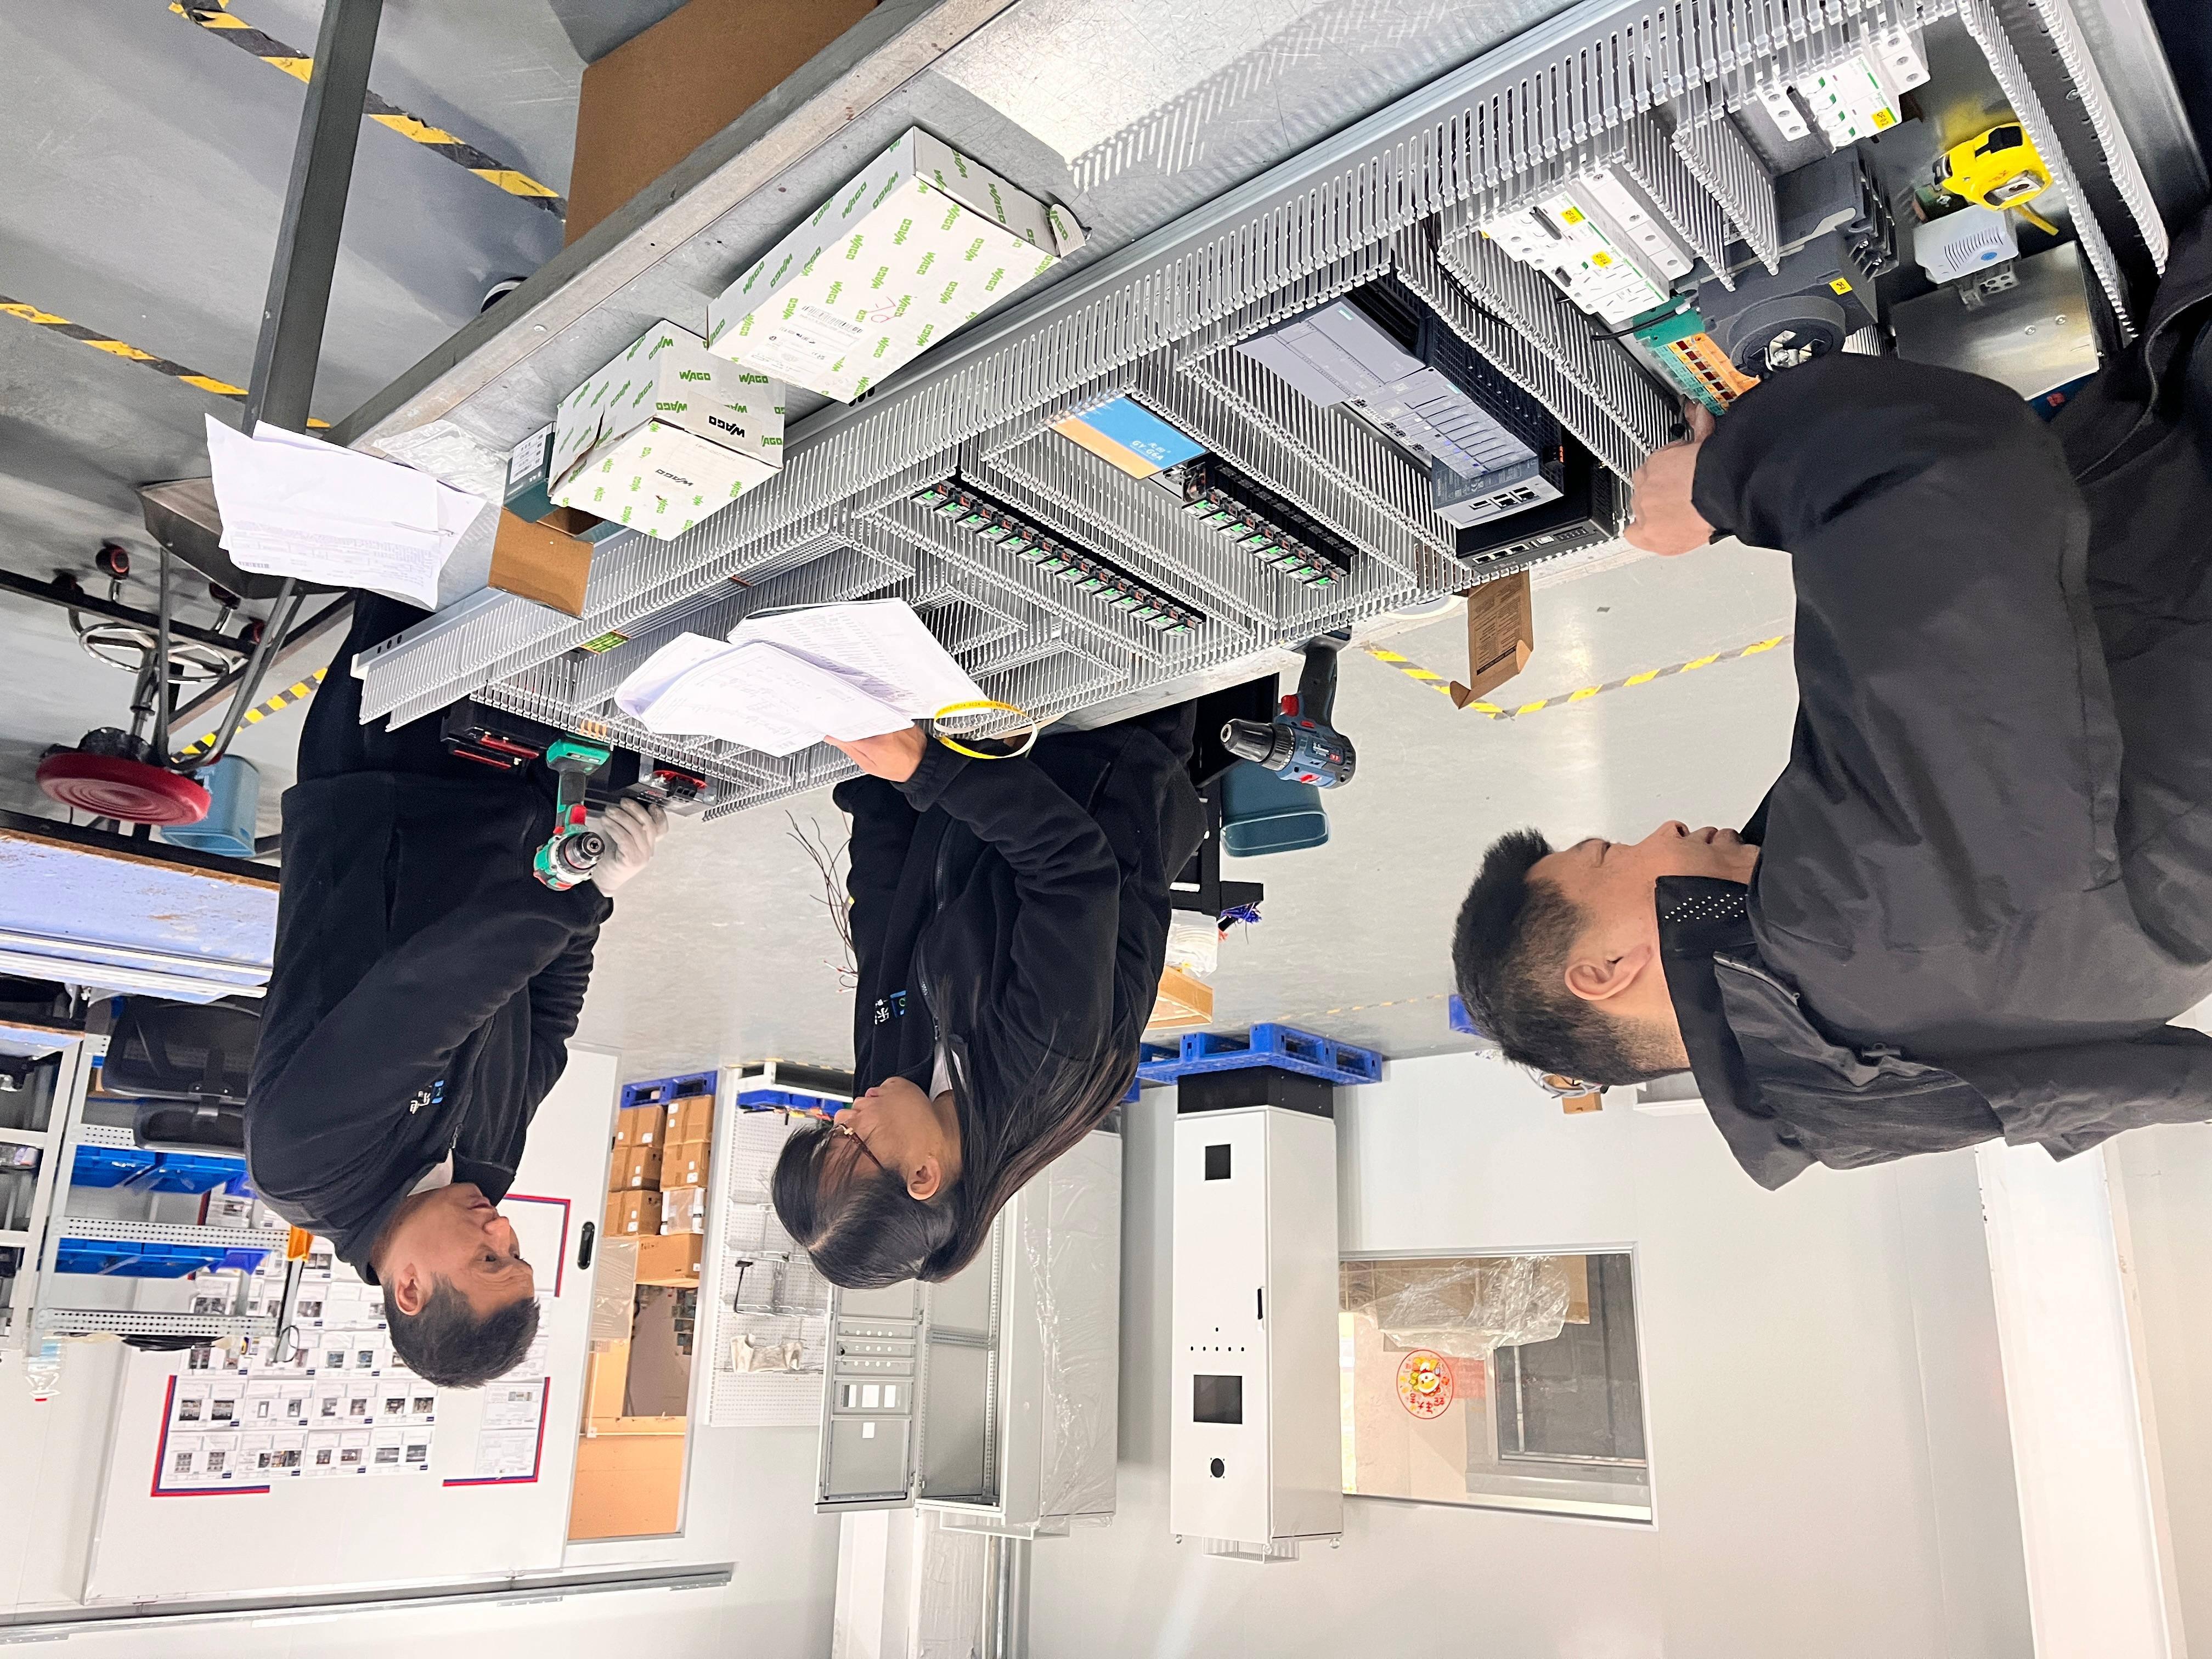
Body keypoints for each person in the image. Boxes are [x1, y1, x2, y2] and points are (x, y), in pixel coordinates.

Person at [1454, 217, 2212, 1188]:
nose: (1663, 828)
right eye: (1607, 855)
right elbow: (1938, 474)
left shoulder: (1891, 1043)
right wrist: (1721, 482)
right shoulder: (1866, 927)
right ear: (1605, 970)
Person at [246, 595, 669, 1385]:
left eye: (487, 1258)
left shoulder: (306, 1167)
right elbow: (545, 1021)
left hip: (395, 786)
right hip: (514, 814)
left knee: (438, 574)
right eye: (515, 1250)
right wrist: (592, 887)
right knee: (572, 590)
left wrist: (573, 900)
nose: (501, 1228)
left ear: (409, 1289)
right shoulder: (488, 1171)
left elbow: (428, 996)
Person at [772, 706, 1204, 1286]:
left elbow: (883, 914)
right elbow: (1070, 866)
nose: (848, 1114)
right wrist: (930, 770)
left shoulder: (889, 1094)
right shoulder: (1046, 1067)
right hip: (1099, 745)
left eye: (832, 1128)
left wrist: (870, 765)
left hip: (979, 753)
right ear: (923, 1176)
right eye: (851, 1138)